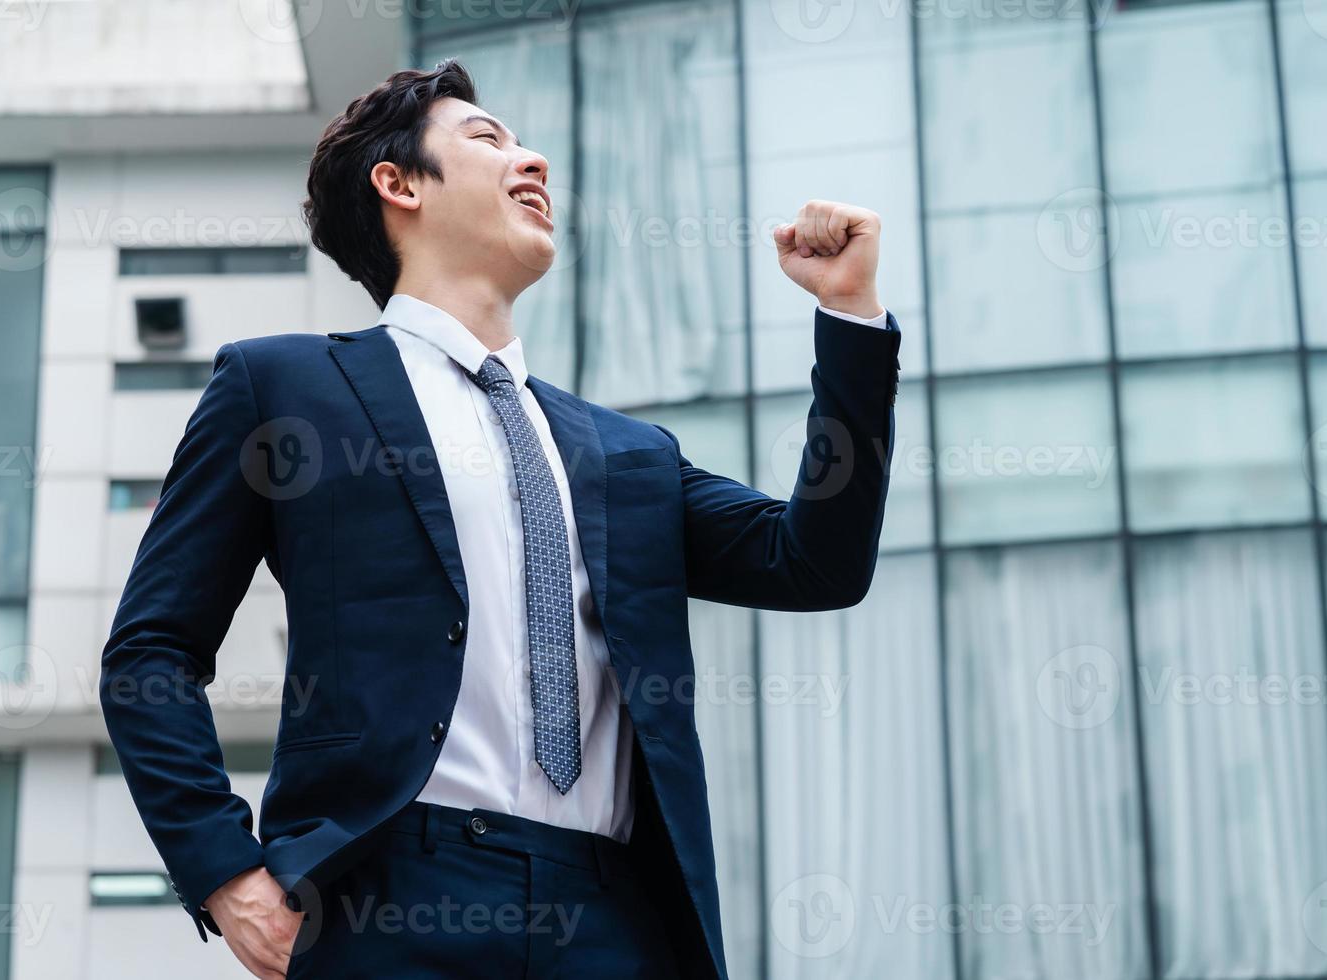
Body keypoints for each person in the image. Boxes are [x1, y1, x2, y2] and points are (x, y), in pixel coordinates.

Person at [100, 59, 900, 979]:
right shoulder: (282, 386)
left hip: (618, 917)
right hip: (391, 898)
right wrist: (226, 874)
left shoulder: (625, 452)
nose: (534, 161)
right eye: (489, 140)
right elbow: (149, 651)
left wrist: (849, 315)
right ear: (397, 185)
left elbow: (815, 565)